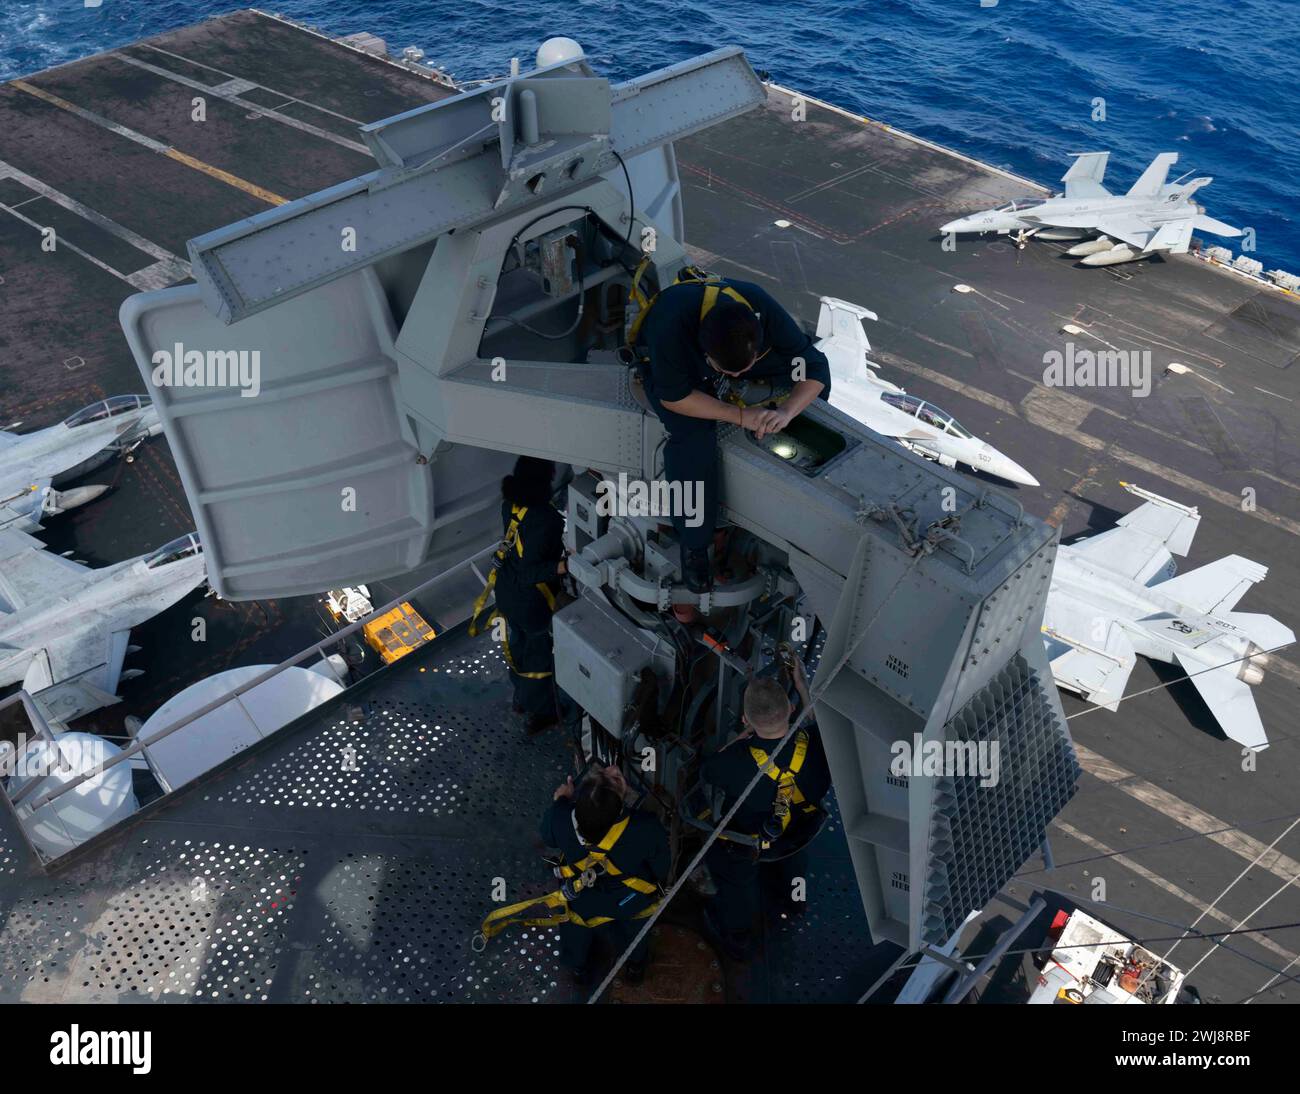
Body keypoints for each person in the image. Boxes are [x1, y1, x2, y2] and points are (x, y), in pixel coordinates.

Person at [636, 277, 831, 591]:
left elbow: (814, 366)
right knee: (692, 439)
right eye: (729, 373)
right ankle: (694, 543)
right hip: (683, 372)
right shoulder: (670, 324)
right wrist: (739, 415)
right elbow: (674, 397)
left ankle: (793, 439)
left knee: (809, 385)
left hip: (732, 354)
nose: (737, 379)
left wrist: (786, 411)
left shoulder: (758, 305)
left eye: (743, 370)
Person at [700, 657, 830, 960]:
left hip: (752, 841)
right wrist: (802, 686)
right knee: (793, 863)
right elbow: (814, 723)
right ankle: (794, 900)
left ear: (745, 720)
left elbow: (708, 771)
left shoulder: (733, 762)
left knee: (732, 875)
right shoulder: (820, 741)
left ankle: (738, 935)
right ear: (792, 709)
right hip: (800, 832)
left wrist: (740, 740)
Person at [540, 765, 670, 985]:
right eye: (614, 778)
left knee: (575, 930)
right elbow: (661, 865)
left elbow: (548, 837)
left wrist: (561, 800)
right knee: (635, 930)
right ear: (620, 807)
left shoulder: (560, 818)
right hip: (629, 898)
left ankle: (578, 968)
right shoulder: (645, 827)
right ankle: (635, 967)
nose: (613, 768)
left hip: (581, 898)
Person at [472, 455, 568, 735]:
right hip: (532, 603)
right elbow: (532, 572)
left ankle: (521, 699)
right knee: (539, 658)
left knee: (518, 646)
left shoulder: (509, 506)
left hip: (506, 593)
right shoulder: (548, 519)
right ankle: (542, 712)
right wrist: (564, 565)